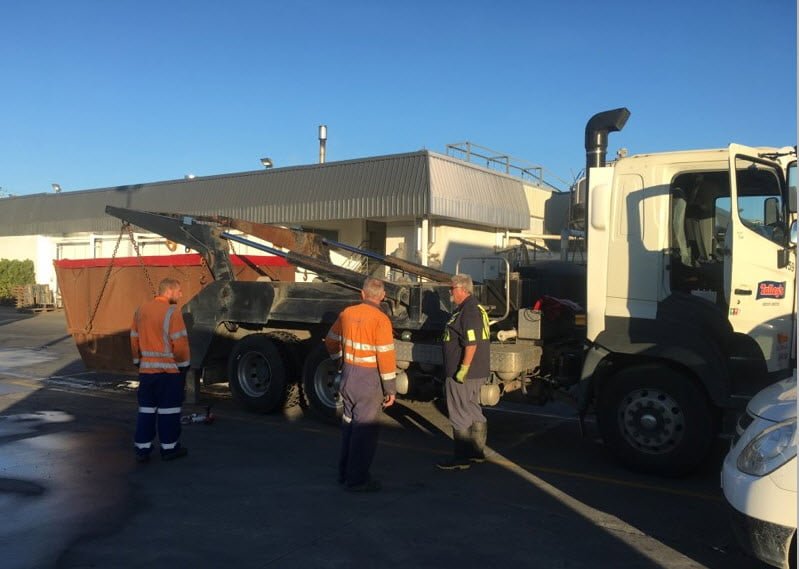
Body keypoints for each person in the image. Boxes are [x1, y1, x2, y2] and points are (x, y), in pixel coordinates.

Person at [325, 277, 397, 492]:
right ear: (382, 296)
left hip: (348, 375)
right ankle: (357, 480)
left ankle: (344, 474)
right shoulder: (381, 319)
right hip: (368, 381)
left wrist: (339, 360)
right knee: (364, 431)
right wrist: (390, 389)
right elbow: (385, 356)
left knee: (349, 426)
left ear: (362, 294)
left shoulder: (347, 313)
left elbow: (330, 340)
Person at [130, 277, 191, 463]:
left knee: (146, 410)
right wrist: (183, 366)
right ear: (169, 291)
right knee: (169, 411)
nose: (181, 295)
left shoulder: (141, 310)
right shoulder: (173, 312)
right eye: (179, 291)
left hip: (146, 373)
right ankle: (169, 448)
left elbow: (134, 337)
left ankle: (142, 448)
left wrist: (136, 360)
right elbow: (180, 344)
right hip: (168, 374)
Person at [437, 273, 490, 470]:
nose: (450, 293)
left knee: (459, 412)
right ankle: (476, 453)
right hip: (476, 371)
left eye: (452, 289)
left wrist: (463, 369)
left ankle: (461, 458)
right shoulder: (474, 308)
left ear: (461, 289)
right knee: (472, 408)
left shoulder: (468, 311)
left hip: (465, 373)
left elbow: (471, 342)